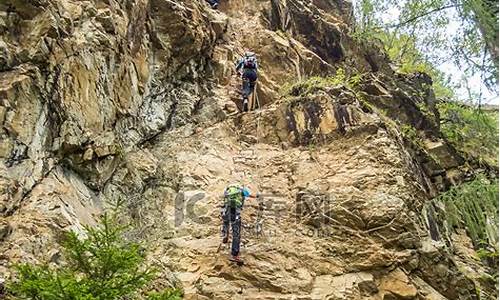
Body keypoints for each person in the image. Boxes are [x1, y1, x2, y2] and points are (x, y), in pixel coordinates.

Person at [221, 183, 259, 262]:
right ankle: (234, 255)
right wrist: (258, 195)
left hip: (225, 209)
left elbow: (224, 198)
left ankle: (225, 235)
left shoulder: (227, 189)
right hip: (234, 210)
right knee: (236, 232)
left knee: (226, 222)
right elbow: (251, 195)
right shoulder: (242, 189)